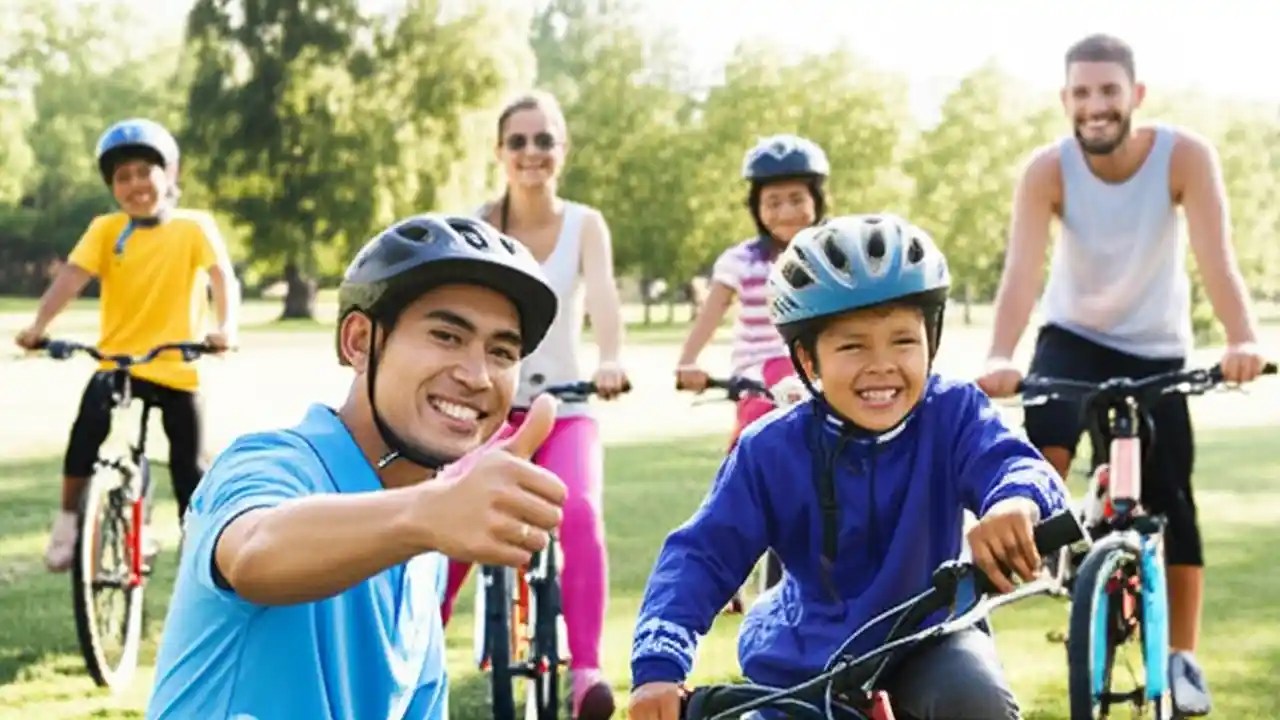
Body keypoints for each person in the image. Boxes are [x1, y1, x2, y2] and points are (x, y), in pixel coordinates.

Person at [628, 213, 1071, 720]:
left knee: (976, 702)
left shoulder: (954, 412)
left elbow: (1014, 464)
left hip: (929, 639)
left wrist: (1015, 502)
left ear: (931, 341)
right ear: (809, 361)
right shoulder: (769, 449)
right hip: (805, 657)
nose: (881, 363)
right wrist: (658, 668)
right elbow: (701, 556)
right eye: (853, 345)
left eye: (903, 340)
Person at [146, 214, 567, 720]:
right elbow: (253, 554)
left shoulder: (425, 548)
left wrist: (429, 522)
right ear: (359, 341)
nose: (477, 375)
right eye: (446, 336)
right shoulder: (273, 464)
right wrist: (430, 515)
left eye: (501, 351)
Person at [975, 34, 1267, 717]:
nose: (1095, 106)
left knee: (1173, 501)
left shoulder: (1184, 157)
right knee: (1041, 440)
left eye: (1108, 91)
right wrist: (999, 353)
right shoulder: (1047, 170)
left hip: (1154, 347)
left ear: (1135, 95)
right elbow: (1022, 273)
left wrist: (1243, 338)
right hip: (1072, 338)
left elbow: (1213, 256)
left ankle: (1184, 658)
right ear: (1065, 101)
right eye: (1081, 93)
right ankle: (1056, 558)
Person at [436, 90, 629, 720]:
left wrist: (610, 358)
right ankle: (415, 646)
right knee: (453, 515)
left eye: (544, 140)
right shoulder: (477, 225)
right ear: (499, 152)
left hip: (568, 405)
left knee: (579, 512)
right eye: (518, 141)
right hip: (489, 410)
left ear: (561, 150)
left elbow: (601, 296)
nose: (531, 153)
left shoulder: (584, 224)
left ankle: (587, 671)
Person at [12, 118, 239, 572]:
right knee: (87, 427)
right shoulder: (105, 229)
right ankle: (67, 523)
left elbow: (221, 277)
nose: (134, 184)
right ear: (112, 186)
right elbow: (71, 280)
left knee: (188, 464)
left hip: (177, 363)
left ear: (169, 174)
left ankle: (198, 551)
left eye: (144, 172)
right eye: (122, 177)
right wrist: (38, 325)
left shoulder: (194, 228)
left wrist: (225, 327)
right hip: (120, 362)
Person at [674, 133, 830, 448]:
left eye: (797, 199)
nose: (786, 212)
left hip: (823, 374)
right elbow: (712, 312)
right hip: (759, 378)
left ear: (817, 200)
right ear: (756, 208)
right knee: (752, 443)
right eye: (773, 202)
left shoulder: (835, 257)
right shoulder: (741, 261)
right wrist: (688, 361)